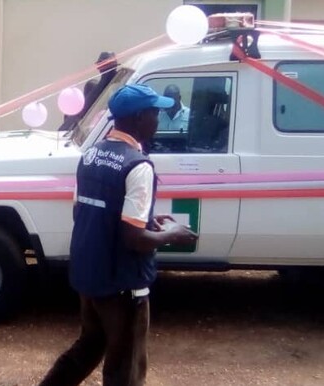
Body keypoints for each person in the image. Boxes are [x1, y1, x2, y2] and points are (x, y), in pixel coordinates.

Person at [39, 85, 199, 386]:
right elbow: (133, 239)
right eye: (155, 112)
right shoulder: (138, 166)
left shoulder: (90, 155)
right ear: (139, 118)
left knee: (89, 346)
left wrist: (146, 221)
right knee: (125, 369)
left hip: (89, 275)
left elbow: (83, 212)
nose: (159, 118)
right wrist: (171, 233)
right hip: (123, 285)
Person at [58, 52, 118, 132]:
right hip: (80, 123)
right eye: (99, 65)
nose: (99, 68)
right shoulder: (93, 85)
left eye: (101, 64)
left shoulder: (116, 86)